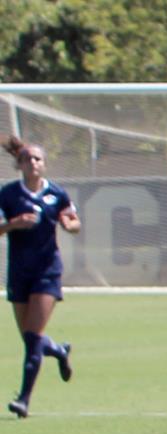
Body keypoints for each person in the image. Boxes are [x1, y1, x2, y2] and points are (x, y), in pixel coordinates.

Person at [2, 136, 78, 419]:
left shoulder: (57, 194)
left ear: (44, 165)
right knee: (30, 338)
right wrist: (14, 224)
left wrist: (71, 225)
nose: (33, 162)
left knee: (33, 338)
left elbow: (73, 221)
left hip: (47, 271)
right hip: (19, 272)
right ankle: (58, 350)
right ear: (19, 164)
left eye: (37, 159)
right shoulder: (8, 195)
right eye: (27, 158)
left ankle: (23, 399)